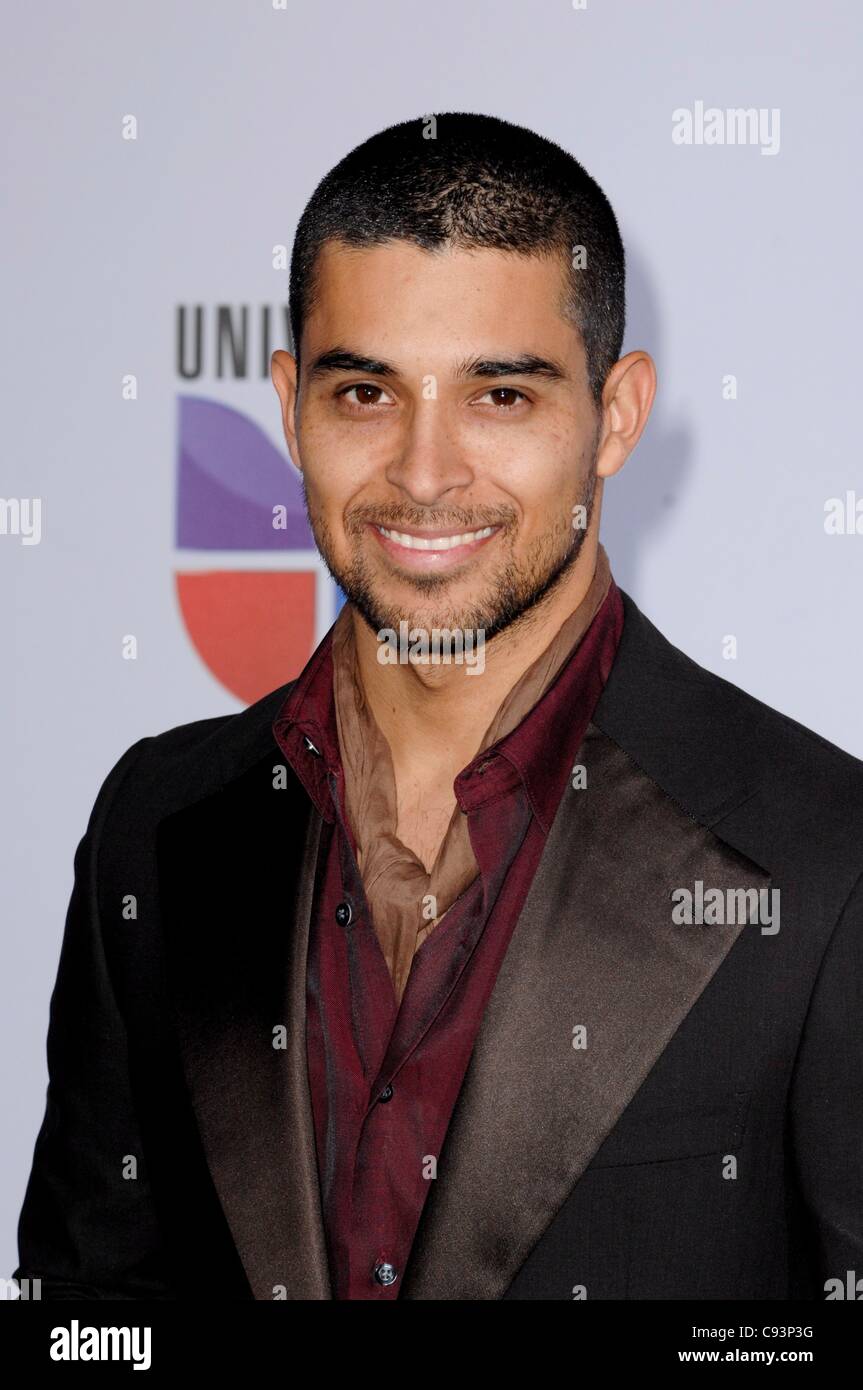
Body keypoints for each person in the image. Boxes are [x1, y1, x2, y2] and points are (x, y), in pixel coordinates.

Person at [14, 112, 863, 1300]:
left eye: (498, 397)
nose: (422, 473)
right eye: (364, 392)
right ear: (288, 403)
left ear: (614, 416)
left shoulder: (825, 856)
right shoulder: (154, 820)